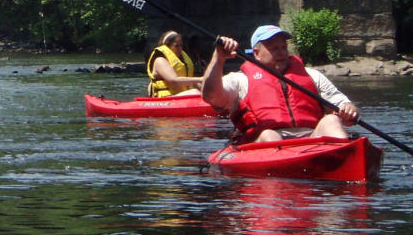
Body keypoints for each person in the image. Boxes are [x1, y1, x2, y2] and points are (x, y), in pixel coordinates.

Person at [201, 24, 360, 143]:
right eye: (274, 48)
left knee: (331, 121)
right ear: (256, 53)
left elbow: (343, 105)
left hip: (312, 139)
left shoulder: (312, 75)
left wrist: (349, 111)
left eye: (284, 47)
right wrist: (218, 58)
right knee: (269, 135)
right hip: (265, 144)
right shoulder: (240, 80)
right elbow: (211, 96)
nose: (281, 52)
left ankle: (345, 159)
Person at [146, 30, 202, 96]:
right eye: (176, 46)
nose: (180, 49)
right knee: (195, 92)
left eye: (181, 45)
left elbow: (191, 83)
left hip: (180, 96)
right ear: (167, 46)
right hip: (165, 98)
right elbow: (173, 80)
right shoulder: (160, 60)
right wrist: (200, 79)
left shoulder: (182, 59)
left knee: (204, 89)